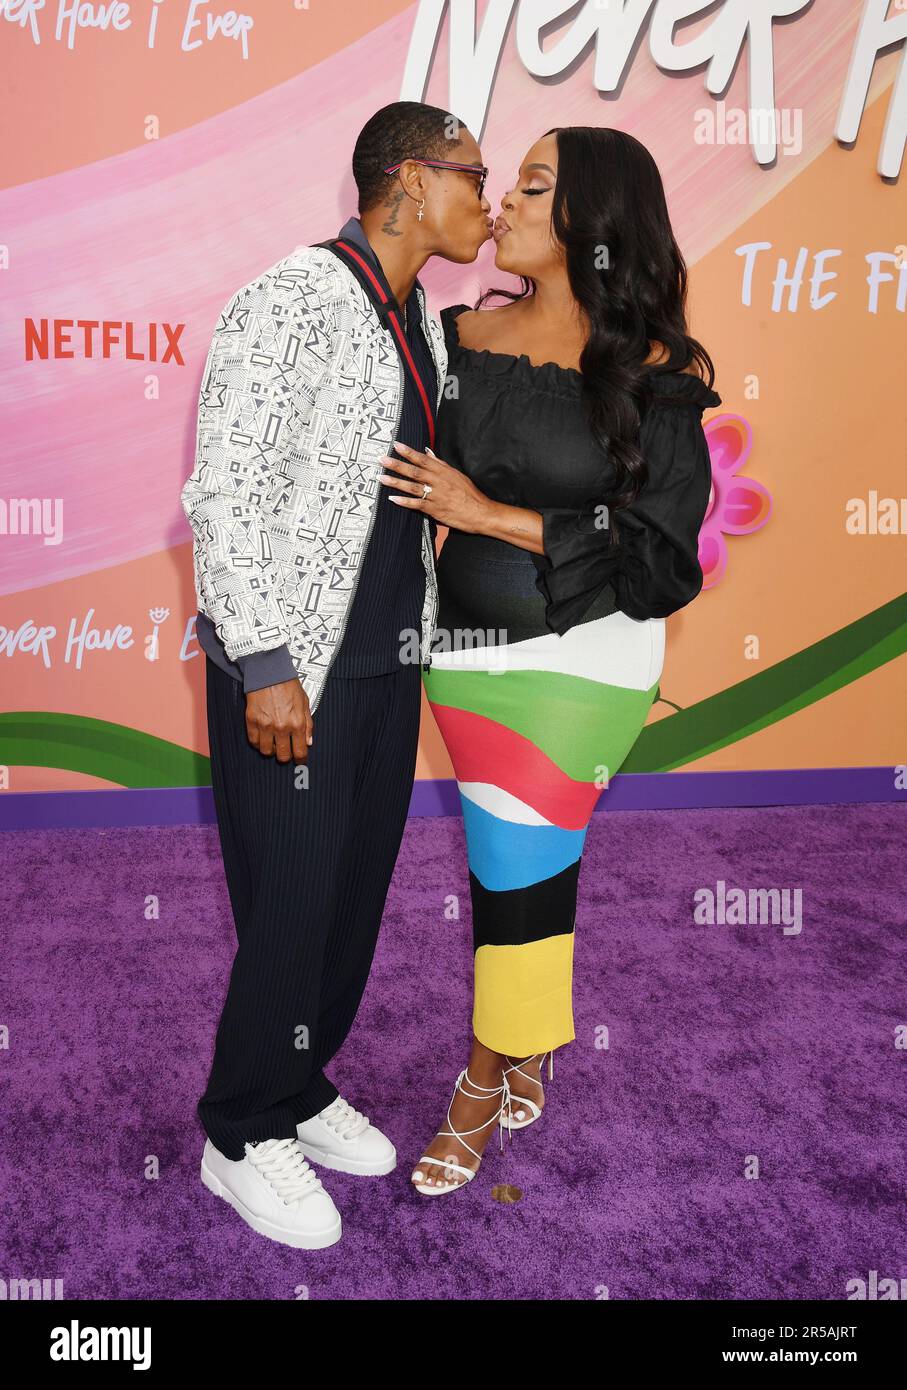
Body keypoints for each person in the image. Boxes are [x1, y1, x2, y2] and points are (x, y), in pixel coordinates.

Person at [376, 126, 721, 1195]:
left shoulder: (654, 374)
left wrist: (492, 513)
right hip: (463, 658)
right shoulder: (459, 341)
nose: (504, 204)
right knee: (530, 861)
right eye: (508, 183)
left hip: (588, 663)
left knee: (509, 866)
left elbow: (662, 555)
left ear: (594, 225)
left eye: (532, 186)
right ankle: (529, 1038)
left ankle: (478, 1082)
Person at [180, 101, 491, 1245]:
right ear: (409, 183)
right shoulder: (290, 298)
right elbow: (227, 490)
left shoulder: (426, 317)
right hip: (290, 671)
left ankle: (300, 1085)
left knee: (352, 899)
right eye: (473, 177)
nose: (488, 200)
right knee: (293, 900)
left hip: (383, 663)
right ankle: (239, 1127)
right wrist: (263, 662)